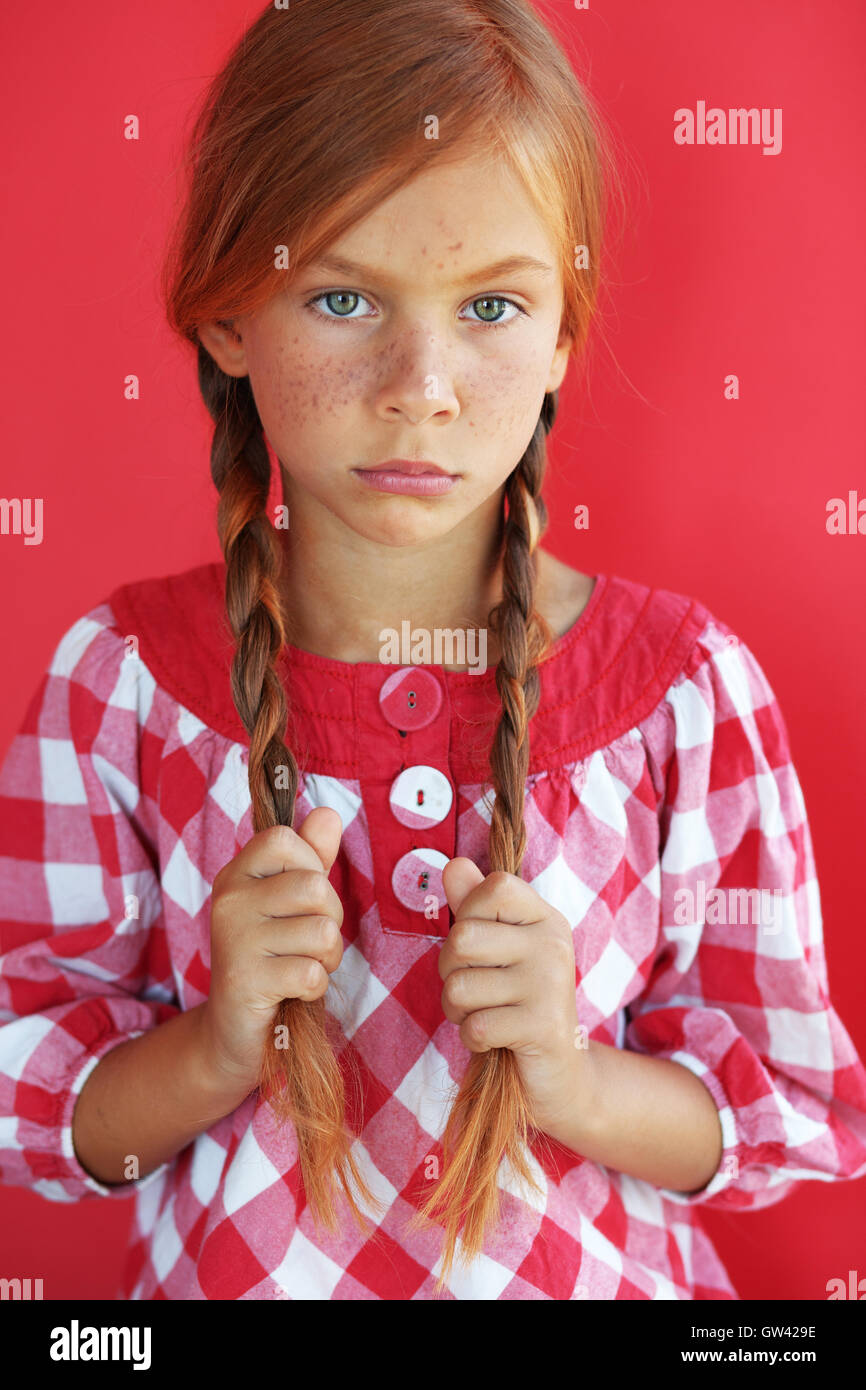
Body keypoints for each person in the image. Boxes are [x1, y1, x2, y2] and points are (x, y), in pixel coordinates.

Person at [1, 0, 864, 1300]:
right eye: (341, 295)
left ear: (563, 332)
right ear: (228, 316)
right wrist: (215, 1045)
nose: (421, 382)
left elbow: (780, 1107)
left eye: (492, 305)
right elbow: (33, 1098)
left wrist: (569, 1074)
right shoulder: (114, 685)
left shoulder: (687, 695)